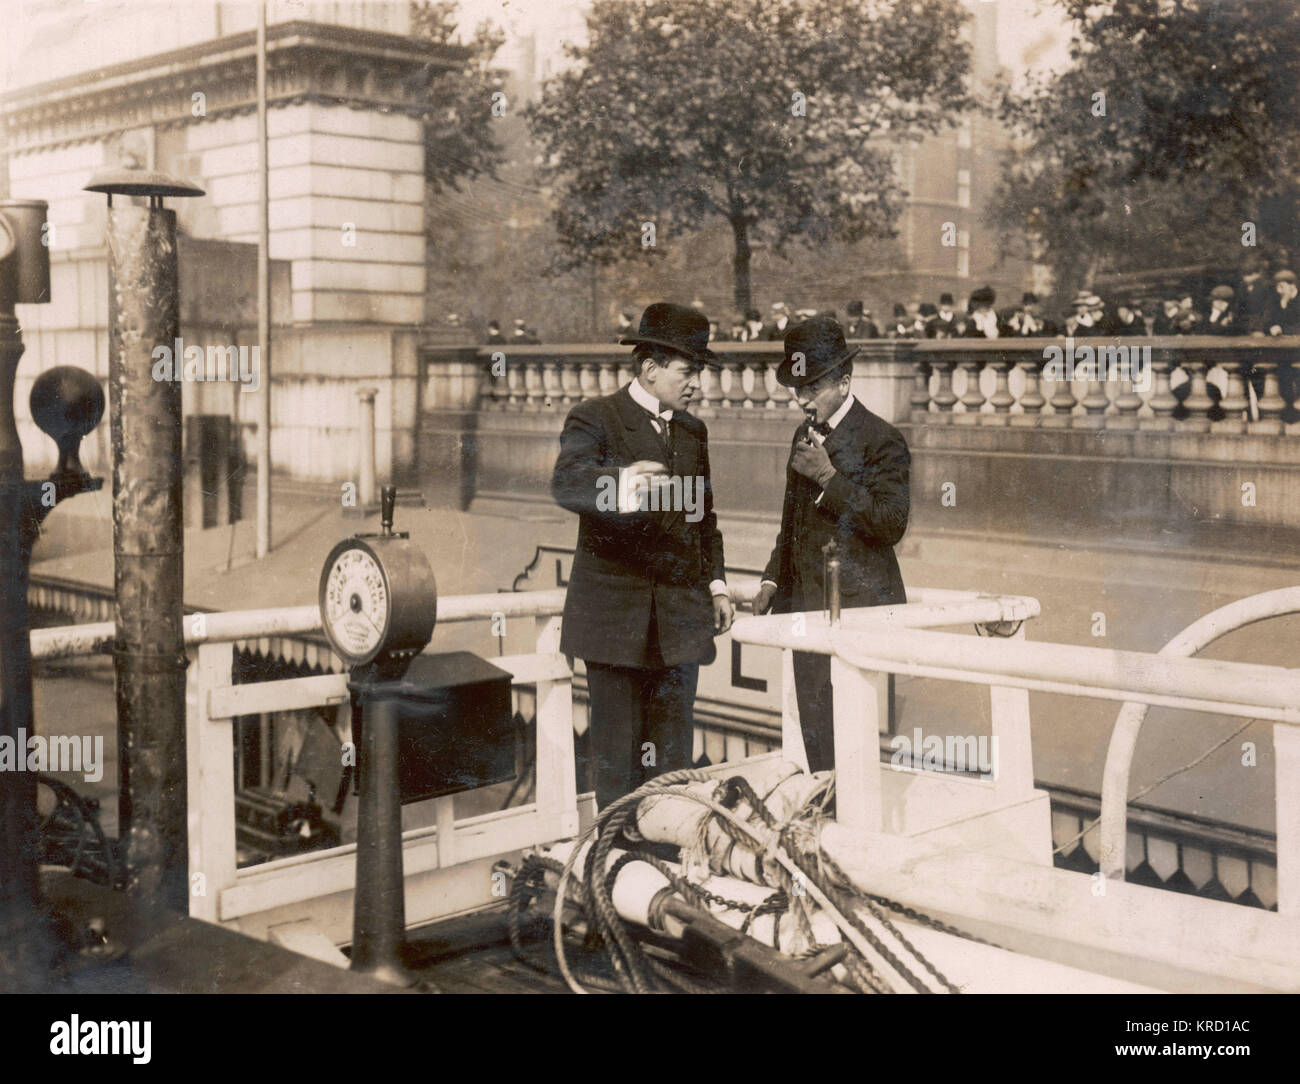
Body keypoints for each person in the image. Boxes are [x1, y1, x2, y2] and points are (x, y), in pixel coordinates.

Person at [551, 302, 734, 809]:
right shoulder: (596, 418)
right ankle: (616, 871)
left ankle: (663, 868)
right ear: (650, 369)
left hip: (680, 626)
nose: (696, 382)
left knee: (671, 768)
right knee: (618, 764)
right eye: (687, 370)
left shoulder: (693, 431)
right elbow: (567, 483)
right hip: (614, 629)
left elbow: (704, 518)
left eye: (698, 371)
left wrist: (715, 585)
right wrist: (623, 486)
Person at [753, 316, 910, 773]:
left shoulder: (883, 438)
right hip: (805, 608)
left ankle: (852, 831)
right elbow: (792, 524)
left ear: (843, 382)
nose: (802, 400)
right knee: (815, 737)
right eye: (796, 389)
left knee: (853, 738)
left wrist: (828, 477)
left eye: (812, 388)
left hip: (856, 614)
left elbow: (891, 523)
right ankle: (822, 828)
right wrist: (771, 578)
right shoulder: (802, 435)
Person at [1265, 270, 1300, 336]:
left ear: (1292, 286)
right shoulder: (1276, 300)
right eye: (1277, 287)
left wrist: (1282, 330)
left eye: (1281, 286)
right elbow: (1267, 324)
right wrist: (1283, 304)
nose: (1278, 290)